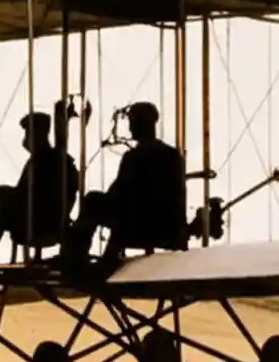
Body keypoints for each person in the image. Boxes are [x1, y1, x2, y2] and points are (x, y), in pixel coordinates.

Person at [61, 101, 186, 275]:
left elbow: (121, 191)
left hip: (138, 222)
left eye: (133, 122)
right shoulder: (171, 155)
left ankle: (74, 258)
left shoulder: (135, 157)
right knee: (102, 203)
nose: (131, 128)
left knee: (93, 201)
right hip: (163, 224)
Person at [0, 104, 81, 265]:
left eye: (28, 133)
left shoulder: (50, 161)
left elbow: (37, 197)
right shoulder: (42, 160)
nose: (25, 140)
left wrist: (2, 194)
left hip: (38, 223)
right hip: (38, 219)